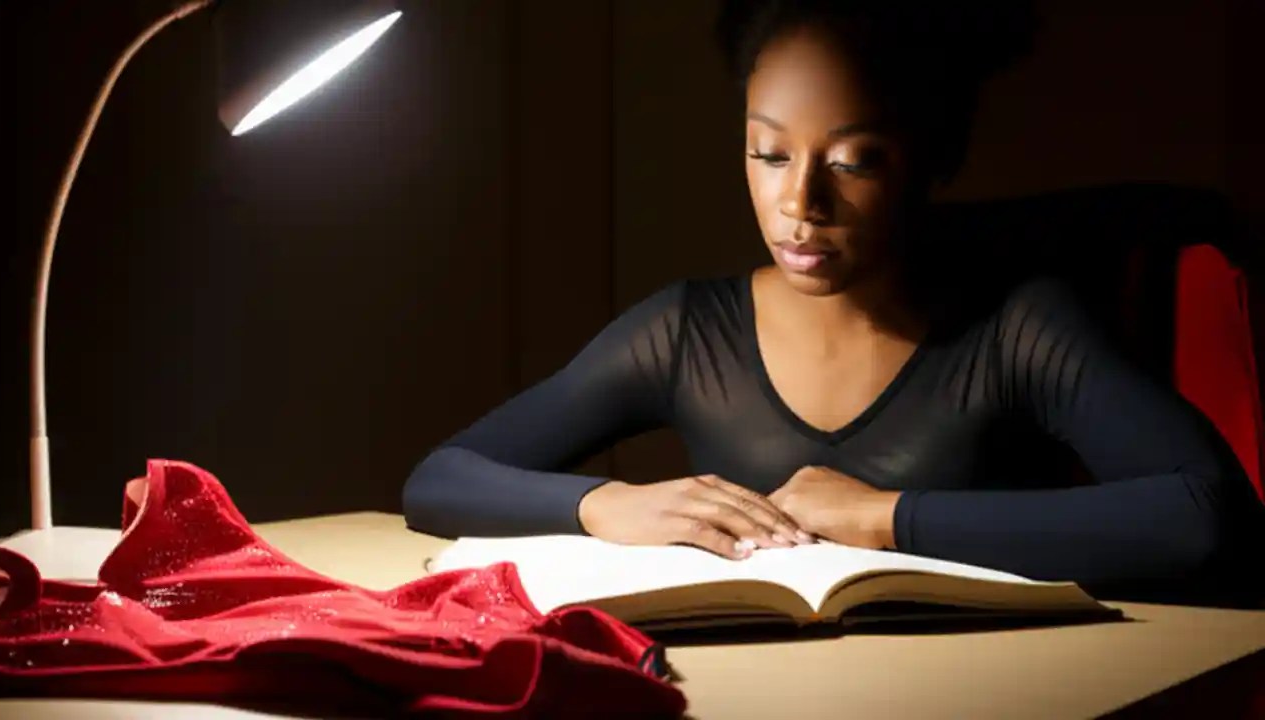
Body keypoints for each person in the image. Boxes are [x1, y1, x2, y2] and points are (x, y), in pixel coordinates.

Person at [403, 0, 1263, 603]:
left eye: (852, 161)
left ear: (932, 160)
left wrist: (886, 517)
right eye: (769, 156)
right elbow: (439, 479)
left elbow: (1208, 516)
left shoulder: (1017, 327)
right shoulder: (688, 332)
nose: (801, 204)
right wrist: (609, 505)